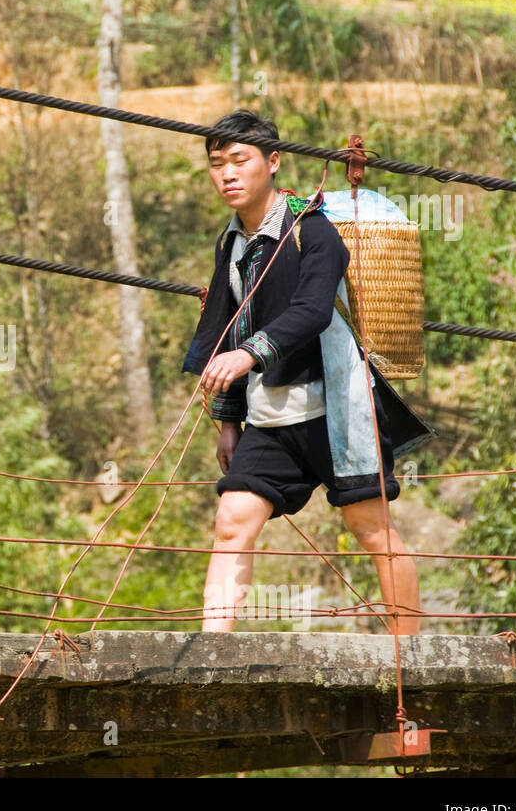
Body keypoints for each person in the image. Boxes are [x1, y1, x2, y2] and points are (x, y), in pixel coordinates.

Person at [181, 109, 431, 635]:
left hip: (338, 407)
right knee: (231, 521)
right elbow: (220, 326)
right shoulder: (231, 244)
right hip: (271, 416)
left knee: (371, 527)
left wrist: (248, 354)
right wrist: (228, 421)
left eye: (240, 160)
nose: (227, 173)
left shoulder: (312, 231)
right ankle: (212, 656)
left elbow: (312, 310)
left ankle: (414, 666)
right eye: (216, 163)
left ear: (272, 162)